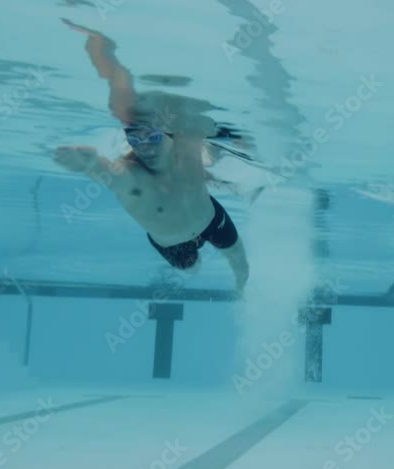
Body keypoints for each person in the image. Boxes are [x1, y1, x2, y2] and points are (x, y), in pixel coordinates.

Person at [53, 19, 251, 292]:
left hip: (204, 218)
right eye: (135, 138)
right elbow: (112, 176)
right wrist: (86, 163)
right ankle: (200, 270)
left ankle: (238, 289)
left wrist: (98, 41)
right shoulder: (137, 177)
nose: (144, 145)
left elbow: (117, 77)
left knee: (238, 265)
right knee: (190, 267)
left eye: (152, 137)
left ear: (168, 137)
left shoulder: (186, 142)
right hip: (177, 235)